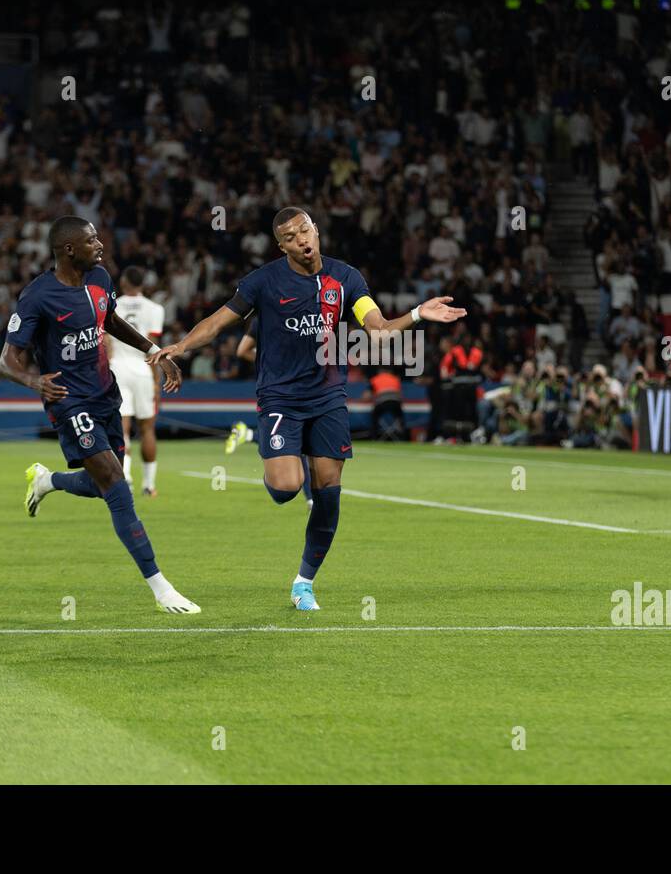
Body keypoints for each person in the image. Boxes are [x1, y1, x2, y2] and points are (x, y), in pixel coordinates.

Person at [152, 207, 465, 611]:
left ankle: (304, 583)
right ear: (280, 245)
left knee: (329, 493)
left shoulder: (346, 278)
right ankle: (277, 458)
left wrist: (419, 313)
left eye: (306, 230)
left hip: (328, 397)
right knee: (285, 488)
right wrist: (180, 346)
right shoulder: (263, 282)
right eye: (291, 236)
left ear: (316, 230)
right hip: (280, 397)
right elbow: (219, 321)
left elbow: (380, 330)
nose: (302, 239)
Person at [0, 216, 198, 615]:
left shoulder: (101, 279)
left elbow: (110, 321)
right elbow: (7, 361)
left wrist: (152, 351)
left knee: (100, 484)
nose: (100, 245)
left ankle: (47, 480)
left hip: (107, 394)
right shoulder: (37, 296)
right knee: (118, 487)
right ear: (69, 249)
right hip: (70, 401)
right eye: (91, 240)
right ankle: (161, 588)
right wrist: (35, 382)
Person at [224, 316, 312, 505]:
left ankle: (247, 435)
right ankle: (311, 499)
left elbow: (242, 350)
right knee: (302, 445)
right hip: (291, 392)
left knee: (303, 445)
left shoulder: (265, 315)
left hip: (288, 389)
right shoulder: (303, 314)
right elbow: (242, 350)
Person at [109, 266, 164, 496]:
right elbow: (153, 347)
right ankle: (149, 485)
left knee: (121, 428)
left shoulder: (112, 305)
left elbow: (106, 344)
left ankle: (127, 478)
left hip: (118, 369)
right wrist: (156, 380)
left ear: (124, 282)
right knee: (147, 429)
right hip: (143, 371)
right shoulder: (155, 309)